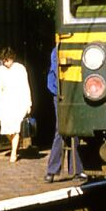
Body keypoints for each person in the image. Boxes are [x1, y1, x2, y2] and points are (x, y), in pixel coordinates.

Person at [43, 46, 83, 182]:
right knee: (61, 129)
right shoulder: (57, 50)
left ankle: (77, 169)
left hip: (77, 94)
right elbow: (58, 71)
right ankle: (53, 169)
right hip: (60, 93)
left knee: (75, 130)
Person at [0, 47, 32, 162]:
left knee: (16, 127)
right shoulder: (0, 71)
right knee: (7, 128)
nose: (6, 62)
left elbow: (25, 86)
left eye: (7, 60)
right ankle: (14, 145)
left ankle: (13, 152)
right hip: (4, 102)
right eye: (4, 60)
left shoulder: (20, 69)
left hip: (17, 101)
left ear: (12, 58)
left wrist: (28, 103)